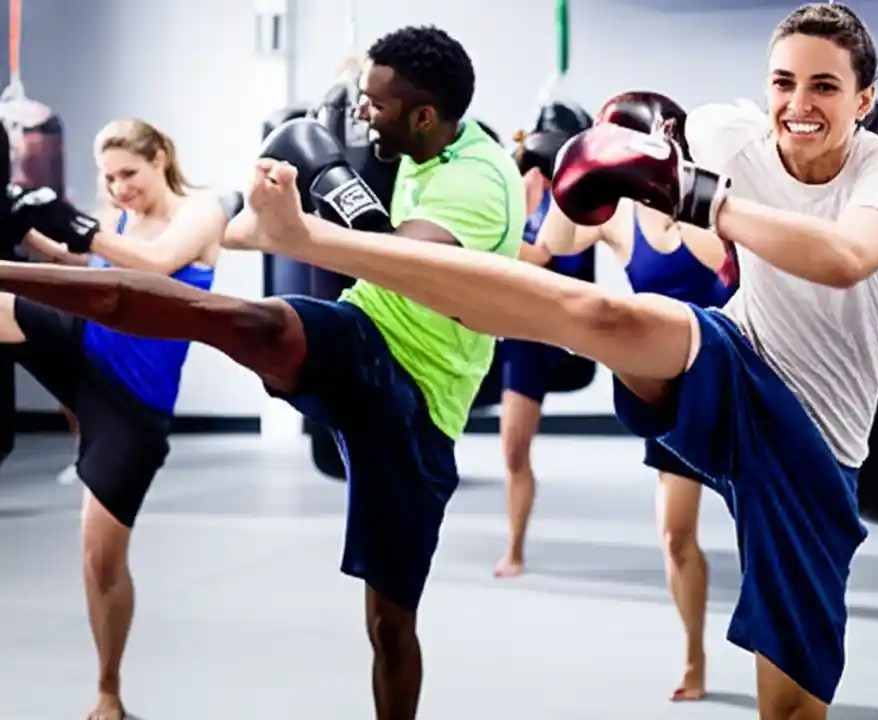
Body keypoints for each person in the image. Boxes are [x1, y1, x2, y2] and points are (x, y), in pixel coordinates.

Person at [215, 5, 878, 717]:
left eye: (825, 87)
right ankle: (306, 238)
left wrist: (690, 196)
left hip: (816, 437)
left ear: (865, 99)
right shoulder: (725, 134)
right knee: (595, 314)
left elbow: (843, 260)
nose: (798, 104)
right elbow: (556, 239)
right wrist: (540, 178)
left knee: (792, 707)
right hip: (729, 357)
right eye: (784, 82)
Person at [0, 26, 523, 719]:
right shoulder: (420, 146)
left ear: (424, 115)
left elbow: (403, 264)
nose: (362, 114)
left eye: (376, 104)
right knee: (248, 319)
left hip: (415, 398)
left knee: (390, 625)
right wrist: (278, 207)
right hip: (362, 332)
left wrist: (328, 198)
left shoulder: (476, 179)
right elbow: (244, 236)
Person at [2, 117, 236, 720]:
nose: (120, 189)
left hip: (133, 402)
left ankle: (108, 689)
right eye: (109, 179)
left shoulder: (199, 213)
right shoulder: (119, 221)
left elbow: (154, 266)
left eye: (128, 174)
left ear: (161, 157)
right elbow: (84, 273)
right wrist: (32, 234)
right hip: (82, 350)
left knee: (99, 558)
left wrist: (83, 229)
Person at [535, 90, 736, 701]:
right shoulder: (618, 216)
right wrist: (580, 169)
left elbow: (726, 263)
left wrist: (669, 182)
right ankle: (694, 657)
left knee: (762, 528)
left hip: (735, 379)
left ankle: (778, 645)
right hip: (670, 388)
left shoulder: (702, 193)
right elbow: (557, 242)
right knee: (676, 537)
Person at [492, 100, 595, 581]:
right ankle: (512, 546)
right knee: (509, 449)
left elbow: (546, 258)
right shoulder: (517, 188)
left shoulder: (580, 201)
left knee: (514, 448)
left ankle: (515, 548)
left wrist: (482, 243)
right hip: (507, 330)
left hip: (546, 331)